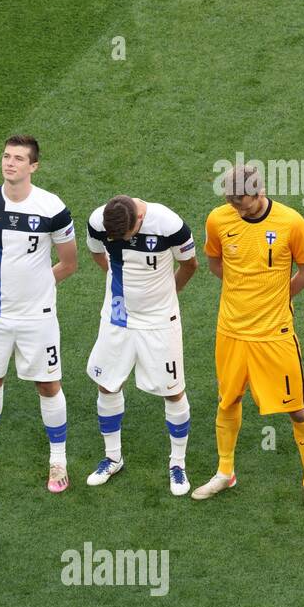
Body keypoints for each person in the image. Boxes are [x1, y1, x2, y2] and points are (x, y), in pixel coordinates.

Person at [193, 163, 304, 514]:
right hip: (231, 331)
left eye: (242, 202)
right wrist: (243, 291)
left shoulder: (291, 222)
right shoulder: (218, 220)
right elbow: (215, 263)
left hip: (274, 334)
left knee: (297, 408)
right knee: (227, 400)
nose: (236, 208)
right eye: (231, 203)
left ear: (259, 192)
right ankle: (225, 472)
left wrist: (280, 297)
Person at [0, 135, 77, 490]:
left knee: (47, 383)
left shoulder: (52, 207)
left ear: (33, 166)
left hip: (36, 317)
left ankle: (58, 461)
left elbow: (69, 263)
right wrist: (2, 283)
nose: (10, 163)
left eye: (18, 159)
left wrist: (38, 286)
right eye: (6, 156)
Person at [83, 194, 197, 494]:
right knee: (107, 384)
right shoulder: (98, 221)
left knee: (173, 390)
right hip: (117, 316)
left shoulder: (169, 224)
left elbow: (189, 265)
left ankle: (178, 464)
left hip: (160, 321)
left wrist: (166, 296)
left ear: (140, 221)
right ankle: (112, 457)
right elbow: (98, 256)